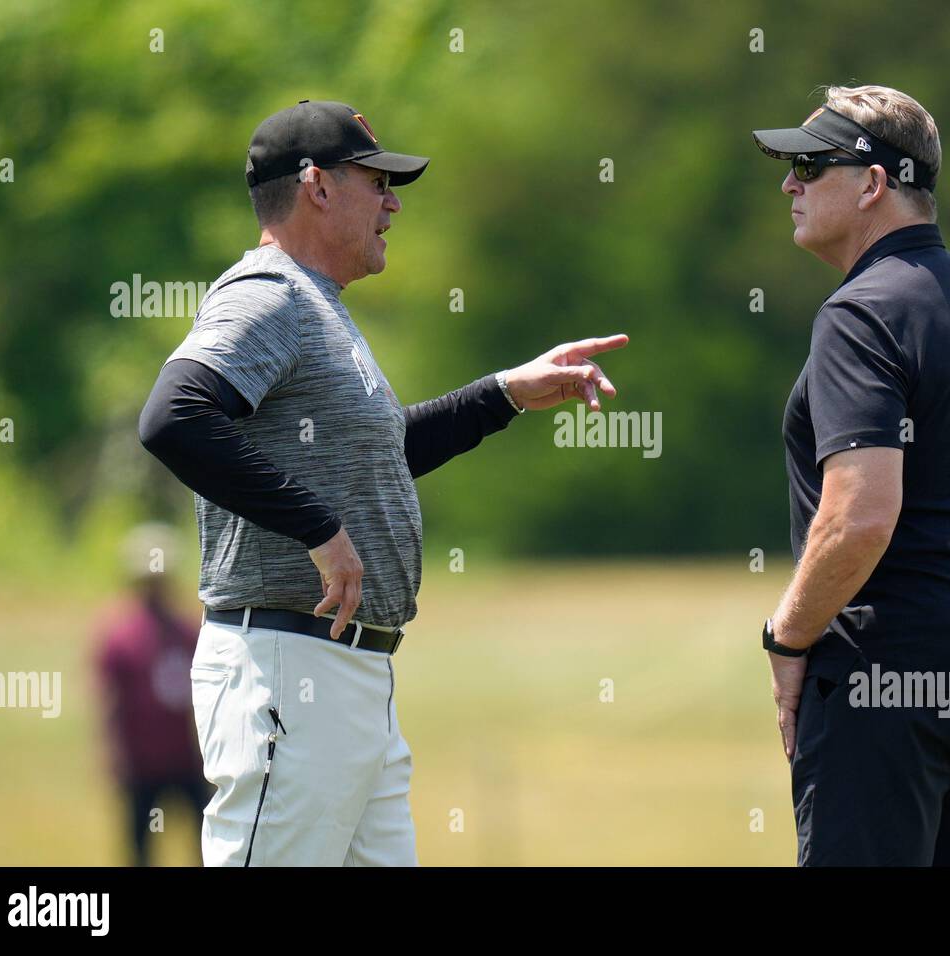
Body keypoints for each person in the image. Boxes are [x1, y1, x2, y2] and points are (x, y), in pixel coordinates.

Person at [138, 99, 627, 866]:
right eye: (378, 181)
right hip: (287, 668)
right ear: (318, 187)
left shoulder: (317, 306)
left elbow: (381, 454)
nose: (394, 203)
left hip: (347, 676)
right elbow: (173, 417)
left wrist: (503, 393)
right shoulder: (269, 294)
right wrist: (319, 530)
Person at [751, 84, 950, 865]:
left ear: (872, 183)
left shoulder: (858, 314)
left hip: (886, 679)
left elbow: (860, 516)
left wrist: (788, 639)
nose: (788, 184)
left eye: (808, 166)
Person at [95, 523, 210, 866]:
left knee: (208, 842)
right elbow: (109, 702)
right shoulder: (121, 638)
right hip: (141, 764)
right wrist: (112, 755)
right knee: (140, 849)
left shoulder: (189, 632)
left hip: (186, 760)